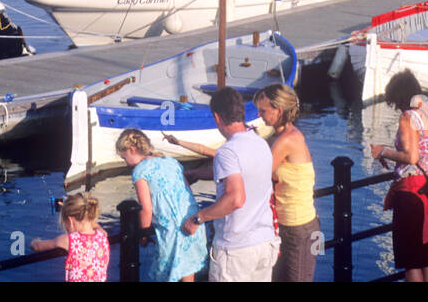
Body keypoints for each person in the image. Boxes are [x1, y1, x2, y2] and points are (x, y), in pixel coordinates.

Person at [179, 87, 280, 282]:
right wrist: (198, 174)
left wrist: (198, 218)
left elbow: (235, 198)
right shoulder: (260, 143)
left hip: (236, 250)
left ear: (217, 117)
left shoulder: (228, 151)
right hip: (264, 242)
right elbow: (242, 173)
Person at [369, 70, 428, 282]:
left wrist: (384, 152)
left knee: (411, 261)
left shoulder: (408, 117)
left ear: (399, 98)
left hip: (412, 195)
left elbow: (412, 156)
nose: (396, 107)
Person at [114, 128, 207, 282]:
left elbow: (146, 209)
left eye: (124, 157)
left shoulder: (140, 171)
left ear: (132, 149)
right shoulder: (171, 161)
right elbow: (188, 191)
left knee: (165, 275)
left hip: (172, 231)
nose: (125, 162)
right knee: (187, 272)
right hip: (192, 222)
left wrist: (142, 234)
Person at [255, 83, 319, 282]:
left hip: (299, 228)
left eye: (263, 110)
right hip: (293, 226)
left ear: (279, 110)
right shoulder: (284, 136)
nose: (260, 115)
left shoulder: (287, 141)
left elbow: (258, 174)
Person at [30, 192, 108, 282]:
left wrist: (34, 241)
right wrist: (78, 209)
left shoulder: (70, 240)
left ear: (70, 221)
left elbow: (37, 246)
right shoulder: (102, 235)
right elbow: (96, 226)